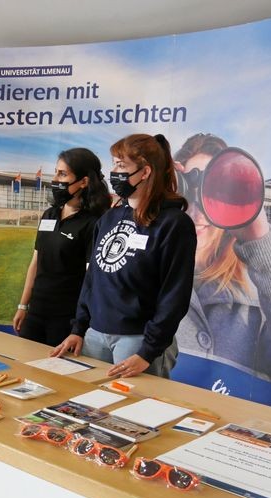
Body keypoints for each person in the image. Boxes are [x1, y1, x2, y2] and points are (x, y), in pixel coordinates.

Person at [51, 133, 197, 378]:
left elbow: (175, 294)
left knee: (135, 413)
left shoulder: (174, 224)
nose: (114, 172)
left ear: (145, 172)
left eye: (121, 165)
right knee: (92, 408)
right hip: (95, 336)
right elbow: (93, 279)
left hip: (137, 342)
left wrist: (148, 352)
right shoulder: (109, 218)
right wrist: (79, 328)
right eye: (114, 164)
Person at [173, 133, 271, 384]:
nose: (196, 210)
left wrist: (258, 236)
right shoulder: (152, 270)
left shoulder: (261, 291)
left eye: (214, 192)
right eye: (186, 192)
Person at [13, 148, 111, 345]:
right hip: (36, 311)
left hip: (67, 317)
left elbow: (91, 279)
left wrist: (79, 327)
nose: (55, 179)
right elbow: (35, 262)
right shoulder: (49, 214)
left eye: (63, 174)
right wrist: (23, 305)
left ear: (84, 181)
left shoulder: (94, 223)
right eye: (56, 172)